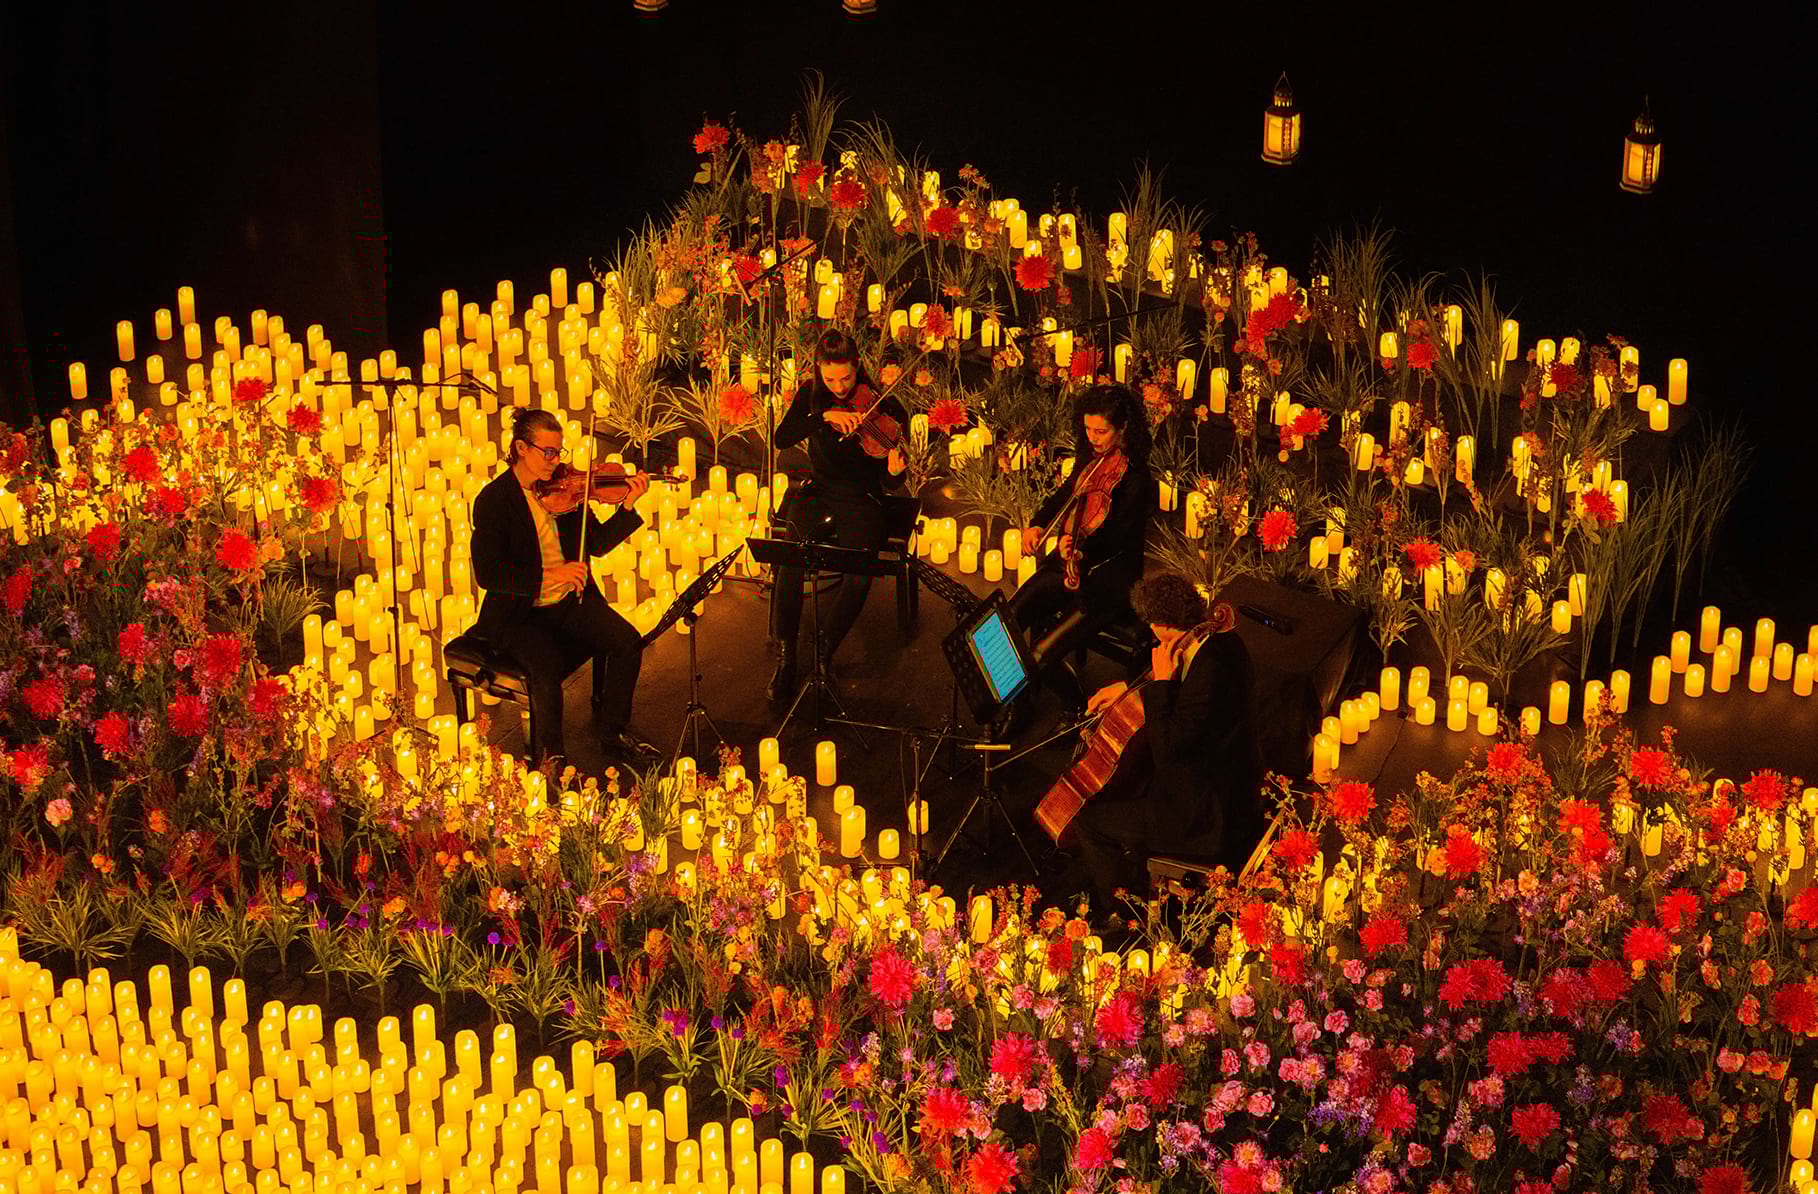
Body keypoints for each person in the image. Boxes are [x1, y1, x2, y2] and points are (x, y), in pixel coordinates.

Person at [1065, 571, 1265, 914]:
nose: (1153, 637)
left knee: (1091, 822)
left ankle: (1122, 915)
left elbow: (1167, 751)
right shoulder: (1223, 640)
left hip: (1206, 815)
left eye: (1154, 628)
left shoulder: (1209, 672)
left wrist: (1160, 683)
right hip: (1226, 783)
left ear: (1165, 626)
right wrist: (1131, 687)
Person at [470, 408, 657, 765]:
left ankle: (613, 731)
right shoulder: (494, 501)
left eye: (560, 453)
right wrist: (550, 576)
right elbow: (488, 575)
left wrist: (628, 505)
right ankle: (552, 757)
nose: (556, 462)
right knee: (546, 671)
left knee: (628, 643)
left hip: (568, 601)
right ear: (522, 448)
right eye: (549, 452)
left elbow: (597, 543)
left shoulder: (566, 490)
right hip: (520, 615)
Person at [767, 329, 909, 704]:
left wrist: (894, 472)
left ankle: (823, 652)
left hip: (862, 497)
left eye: (846, 377)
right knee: (789, 557)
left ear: (858, 367)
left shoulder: (885, 406)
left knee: (860, 573)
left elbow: (890, 483)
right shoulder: (812, 396)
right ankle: (786, 657)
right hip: (820, 488)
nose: (840, 386)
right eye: (830, 378)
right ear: (819, 370)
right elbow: (783, 437)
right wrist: (823, 414)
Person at [1007, 383, 1154, 720]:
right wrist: (1039, 522)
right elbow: (1068, 491)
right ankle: (1017, 703)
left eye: (1101, 431)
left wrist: (1080, 546)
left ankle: (1075, 706)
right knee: (1009, 620)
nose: (1092, 437)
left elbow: (1118, 539)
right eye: (1087, 429)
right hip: (1069, 562)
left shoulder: (1137, 480)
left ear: (1123, 428)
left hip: (1107, 581)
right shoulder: (1091, 456)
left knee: (1040, 654)